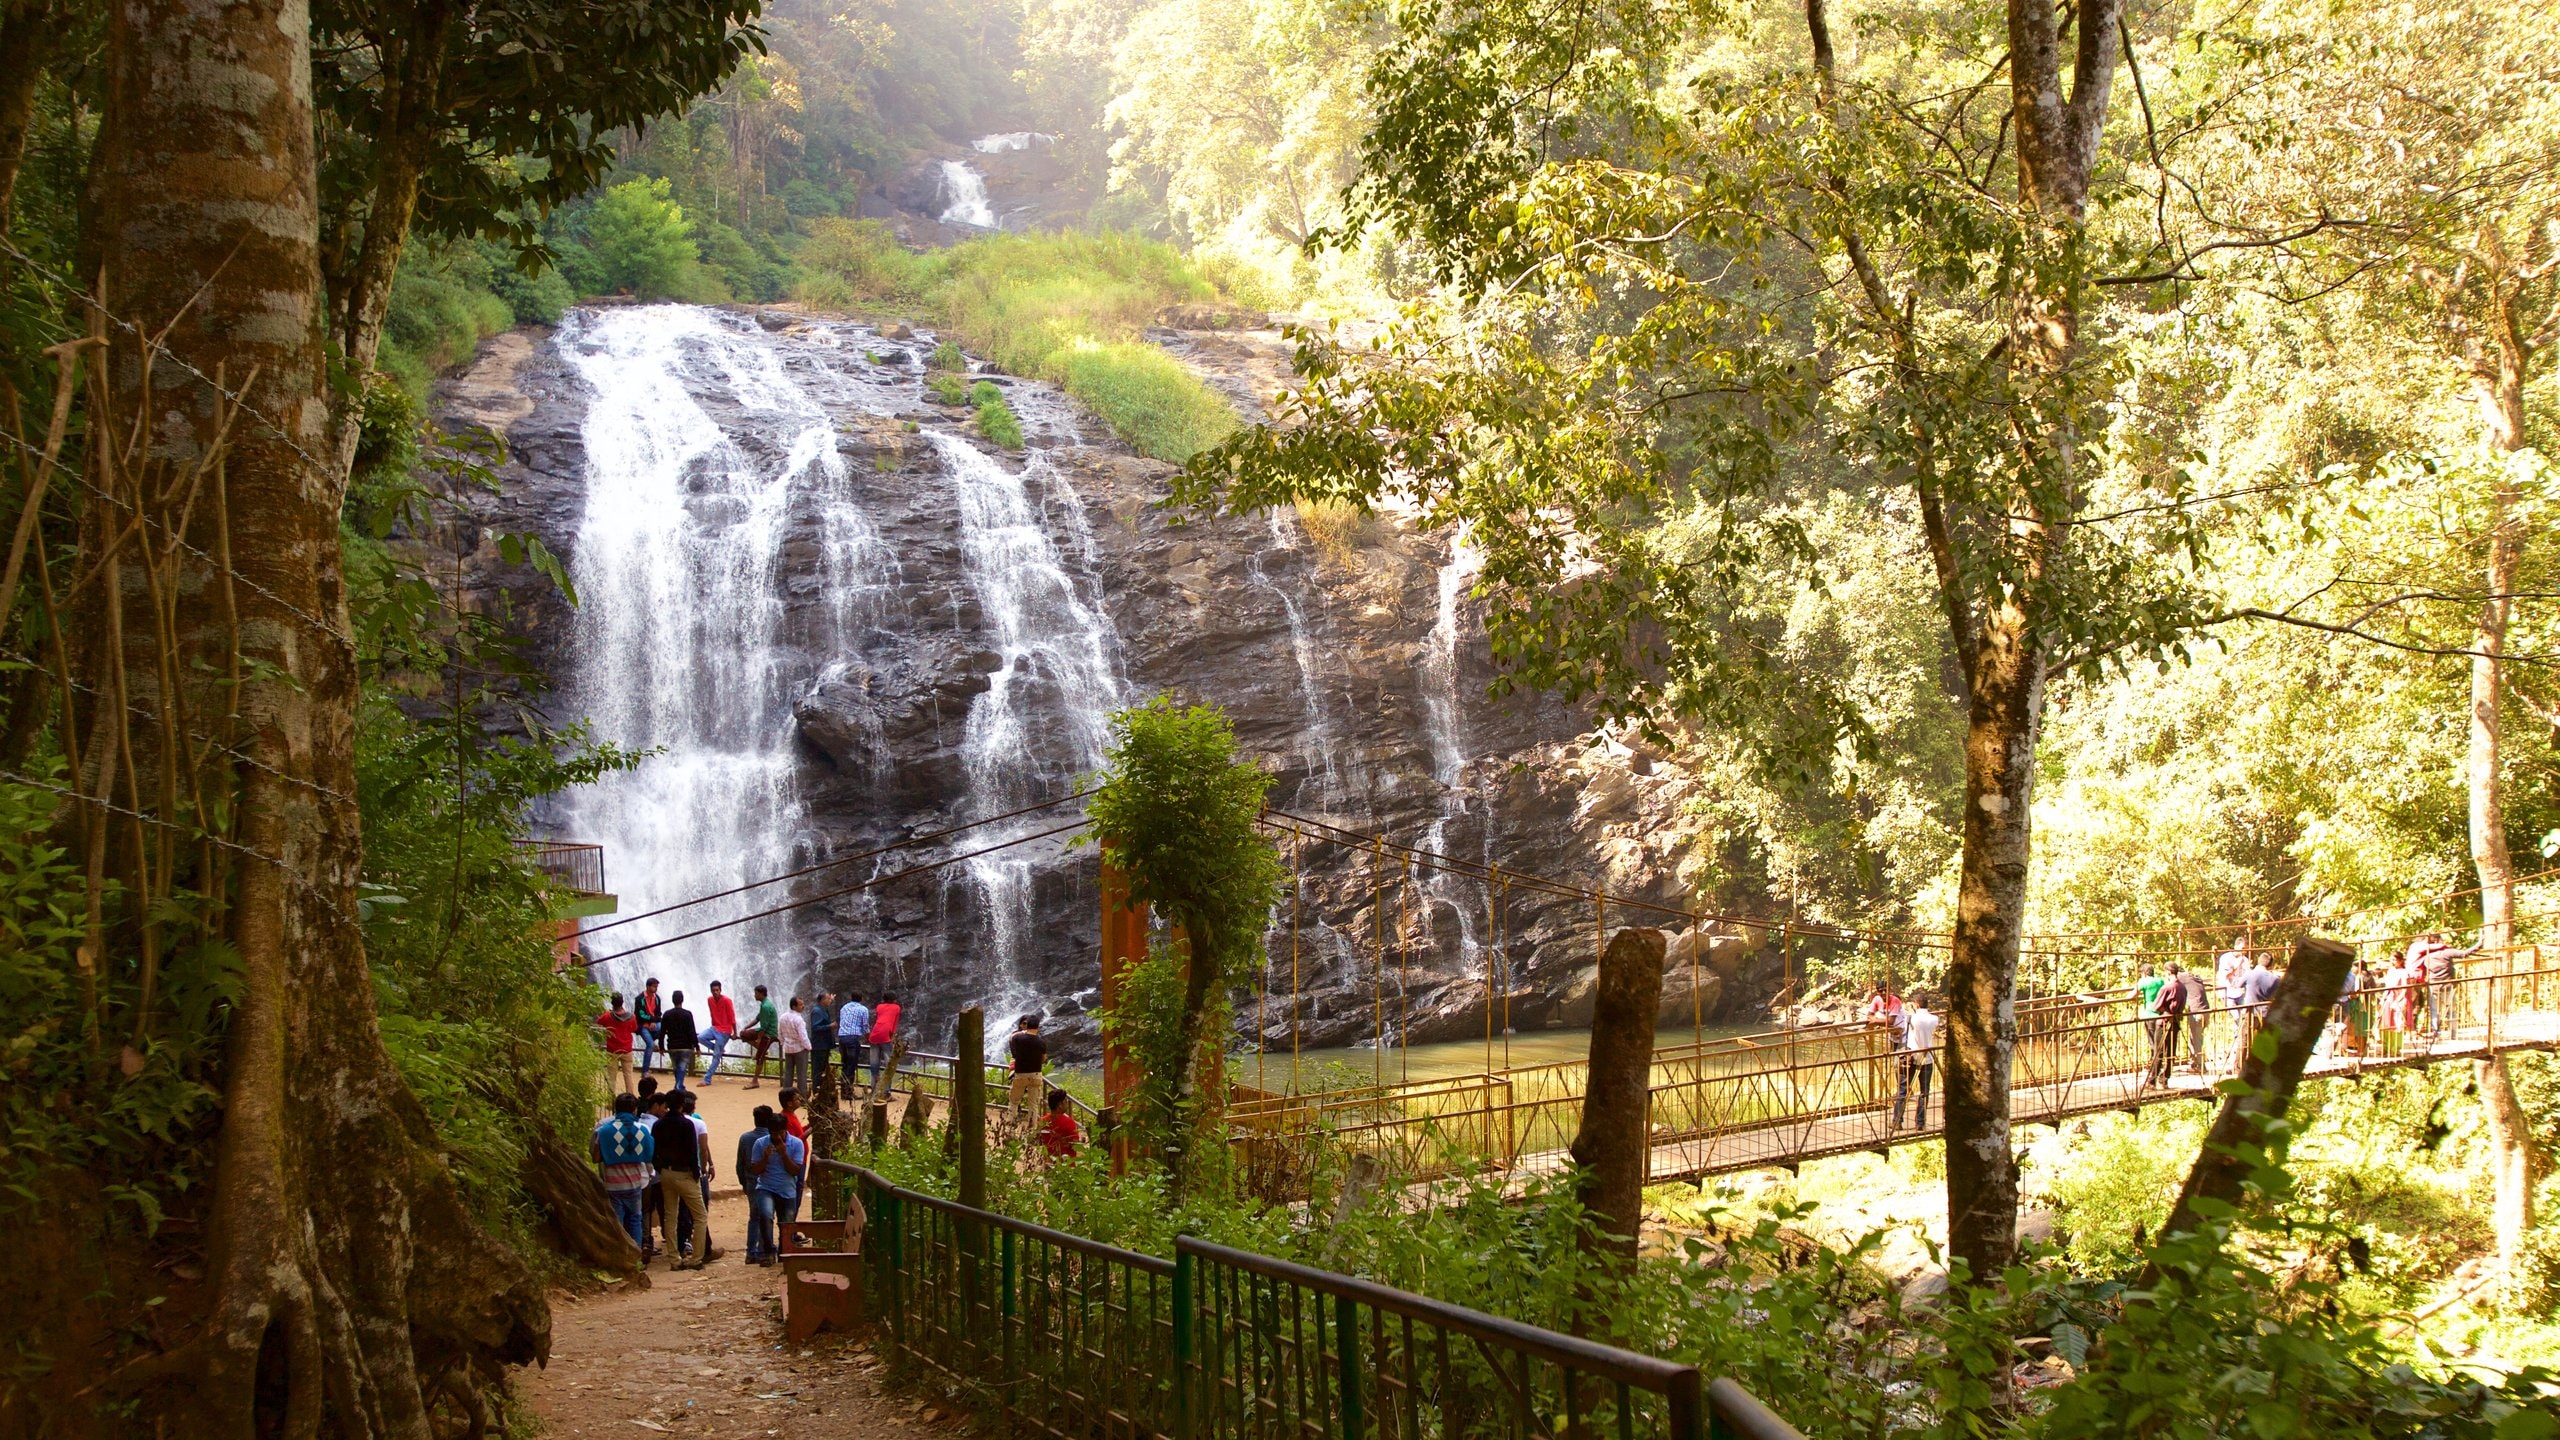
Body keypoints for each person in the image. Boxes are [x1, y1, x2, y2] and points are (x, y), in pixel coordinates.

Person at [652, 1086, 711, 1268]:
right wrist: (696, 1173)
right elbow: (693, 1151)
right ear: (681, 1105)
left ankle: (674, 1259)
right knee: (700, 1216)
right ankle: (696, 1258)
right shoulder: (687, 1124)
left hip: (666, 1173)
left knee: (670, 1216)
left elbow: (655, 1151)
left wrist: (660, 1168)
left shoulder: (658, 1124)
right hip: (684, 1172)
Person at [592, 1093, 655, 1252]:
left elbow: (596, 1157)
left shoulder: (603, 1131)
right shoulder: (643, 1129)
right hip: (635, 1183)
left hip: (612, 1184)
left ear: (616, 1109)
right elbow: (648, 1155)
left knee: (617, 1222)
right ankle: (636, 1255)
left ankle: (619, 1253)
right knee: (635, 1220)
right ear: (634, 1110)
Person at [745, 1108, 807, 1267]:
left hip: (787, 1190)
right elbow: (755, 1170)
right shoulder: (761, 1143)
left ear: (785, 1130)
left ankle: (784, 1252)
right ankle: (768, 1251)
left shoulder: (796, 1144)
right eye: (773, 1133)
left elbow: (795, 1170)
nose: (776, 1137)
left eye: (779, 1133)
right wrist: (765, 1158)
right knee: (766, 1216)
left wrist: (784, 1154)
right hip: (766, 1186)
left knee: (786, 1224)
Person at [736, 1105, 777, 1262]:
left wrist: (744, 1183)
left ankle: (751, 1251)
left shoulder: (745, 1138)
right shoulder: (773, 1139)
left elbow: (740, 1164)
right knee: (767, 1216)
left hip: (751, 1181)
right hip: (768, 1181)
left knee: (754, 1217)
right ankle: (763, 1250)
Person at [1892, 994, 1938, 1131]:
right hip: (1927, 1058)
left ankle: (1897, 1121)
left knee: (1903, 1089)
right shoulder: (1934, 1019)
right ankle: (1920, 1122)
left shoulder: (1911, 1018)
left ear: (1916, 1005)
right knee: (1924, 1091)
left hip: (1910, 1058)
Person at [2143, 963, 2188, 1088]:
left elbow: (2156, 1006)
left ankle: (2152, 1081)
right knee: (2171, 1051)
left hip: (2164, 1022)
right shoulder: (2182, 987)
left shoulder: (2167, 988)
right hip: (2175, 1021)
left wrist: (2164, 1010)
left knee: (2159, 1052)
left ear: (2168, 972)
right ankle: (2165, 1079)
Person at [1006, 1013, 1047, 1136]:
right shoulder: (1041, 1042)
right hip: (1036, 1074)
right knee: (1033, 1105)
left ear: (1027, 1025)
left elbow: (1014, 1052)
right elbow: (1043, 1059)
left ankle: (1009, 1130)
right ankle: (1031, 1132)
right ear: (1038, 1027)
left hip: (1020, 1074)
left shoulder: (1017, 1039)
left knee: (1014, 1102)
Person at [595, 993, 638, 1096]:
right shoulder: (631, 1017)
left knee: (611, 1076)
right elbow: (634, 1028)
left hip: (612, 1050)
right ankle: (630, 1097)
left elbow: (599, 1021)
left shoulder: (607, 1016)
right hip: (627, 1050)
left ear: (612, 1003)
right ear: (622, 1002)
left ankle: (611, 1101)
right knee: (628, 1075)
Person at [2175, 960, 2212, 1075]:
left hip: (2196, 1011)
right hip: (2205, 1010)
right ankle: (2195, 1063)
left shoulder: (2181, 977)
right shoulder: (2194, 977)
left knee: (2196, 1039)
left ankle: (2201, 1066)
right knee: (2196, 1038)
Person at [662, 990, 701, 1092]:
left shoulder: (667, 1014)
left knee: (676, 1068)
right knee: (682, 1068)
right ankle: (678, 1087)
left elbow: (662, 1032)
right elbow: (692, 1031)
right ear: (682, 1000)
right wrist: (697, 1047)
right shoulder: (687, 1014)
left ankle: (680, 1086)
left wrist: (661, 1046)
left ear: (672, 1000)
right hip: (685, 1046)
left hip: (672, 1046)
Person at [703, 980, 739, 1085]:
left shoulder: (727, 1001)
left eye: (717, 990)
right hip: (714, 1028)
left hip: (725, 1031)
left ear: (720, 990)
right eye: (713, 990)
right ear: (710, 991)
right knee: (700, 1037)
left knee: (716, 1057)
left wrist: (735, 1033)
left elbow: (732, 1017)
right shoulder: (709, 1000)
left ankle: (707, 1079)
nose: (715, 992)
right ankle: (717, 1049)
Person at [744, 984, 778, 1090]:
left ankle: (755, 1081)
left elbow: (764, 1026)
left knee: (759, 1057)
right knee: (743, 1035)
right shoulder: (764, 1004)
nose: (754, 995)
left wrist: (758, 1039)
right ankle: (761, 1049)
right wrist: (746, 1027)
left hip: (769, 1034)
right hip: (764, 1031)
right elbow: (758, 1019)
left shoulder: (766, 1006)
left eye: (756, 993)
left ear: (761, 994)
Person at [837, 992, 872, 1092]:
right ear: (861, 999)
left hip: (842, 1037)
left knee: (845, 1063)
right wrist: (868, 1038)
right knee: (851, 1064)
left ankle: (844, 1088)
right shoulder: (863, 1009)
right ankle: (847, 1091)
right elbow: (865, 1025)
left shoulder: (844, 1007)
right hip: (853, 1038)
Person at [868, 991, 902, 1091]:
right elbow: (894, 1024)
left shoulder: (879, 1007)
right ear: (894, 999)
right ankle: (886, 1091)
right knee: (889, 1065)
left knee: (874, 1063)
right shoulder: (896, 1008)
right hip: (886, 1036)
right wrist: (893, 1037)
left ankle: (874, 1088)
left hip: (874, 1035)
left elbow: (880, 1019)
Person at [779, 995, 813, 1095]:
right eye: (801, 1005)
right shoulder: (798, 1020)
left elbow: (780, 1033)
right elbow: (803, 1036)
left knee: (788, 1073)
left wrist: (783, 1043)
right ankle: (802, 1097)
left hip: (788, 1049)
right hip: (800, 1049)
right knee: (801, 1074)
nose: (803, 1006)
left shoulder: (782, 1017)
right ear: (794, 1006)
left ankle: (786, 1096)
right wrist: (809, 1047)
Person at [1038, 1087, 1083, 1161]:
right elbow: (1075, 1145)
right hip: (1067, 1165)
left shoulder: (1042, 1121)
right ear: (1060, 1105)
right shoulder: (1068, 1122)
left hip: (1049, 1163)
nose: (1067, 1104)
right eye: (1065, 1102)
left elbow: (1039, 1141)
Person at [634, 977, 666, 1077]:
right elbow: (639, 1015)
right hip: (643, 1025)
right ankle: (645, 1071)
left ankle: (653, 1042)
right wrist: (652, 1020)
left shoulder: (657, 998)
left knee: (663, 1027)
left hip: (653, 1024)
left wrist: (653, 1020)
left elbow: (659, 1014)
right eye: (654, 986)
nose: (656, 989)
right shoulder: (640, 999)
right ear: (648, 987)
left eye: (656, 987)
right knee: (650, 1045)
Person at [809, 992, 836, 1084]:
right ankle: (816, 1089)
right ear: (822, 1000)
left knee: (823, 1068)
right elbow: (815, 1027)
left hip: (824, 1044)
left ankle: (820, 1089)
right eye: (828, 999)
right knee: (818, 1069)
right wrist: (829, 1026)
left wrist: (831, 999)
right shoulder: (817, 1011)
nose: (830, 1001)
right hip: (819, 1045)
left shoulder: (822, 1009)